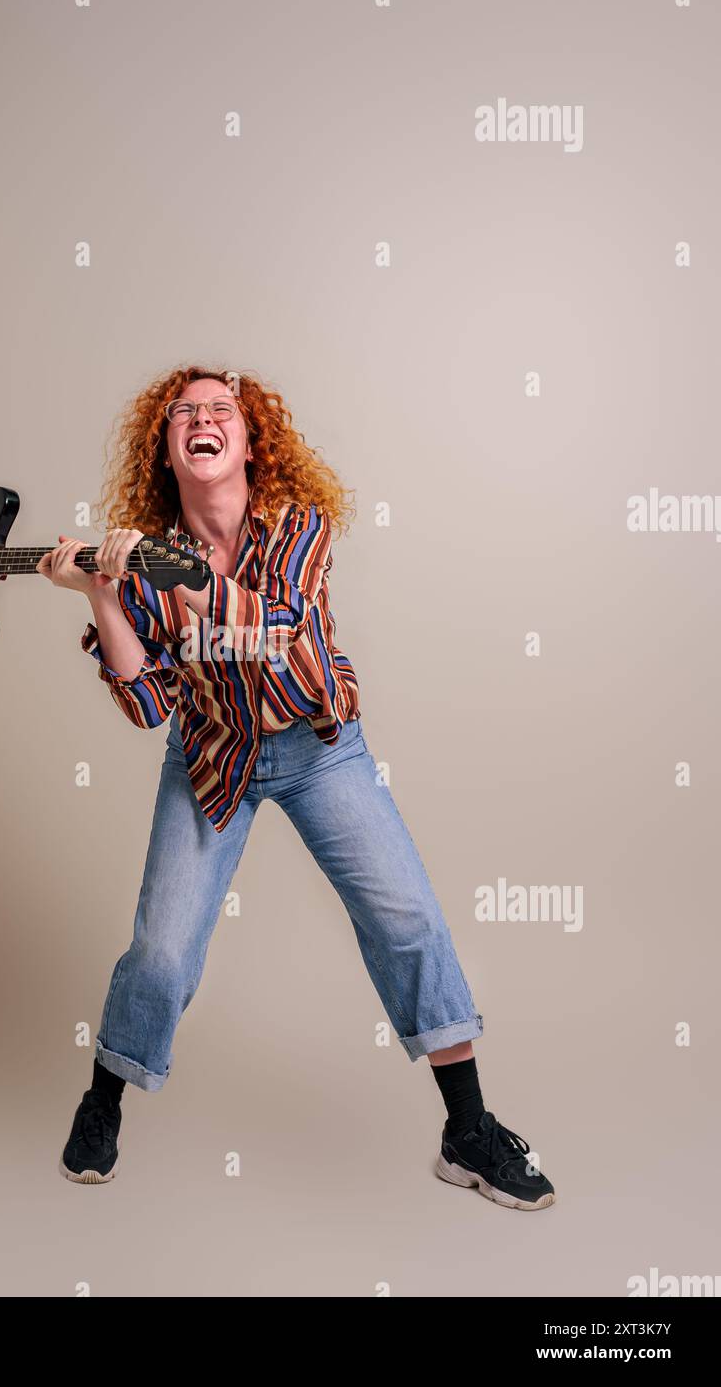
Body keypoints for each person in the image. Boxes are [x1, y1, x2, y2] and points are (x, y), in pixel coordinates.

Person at [38, 366, 555, 1211]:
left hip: (320, 745)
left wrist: (175, 576)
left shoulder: (297, 527)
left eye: (221, 411)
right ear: (167, 451)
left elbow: (276, 640)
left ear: (249, 442)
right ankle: (103, 1101)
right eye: (185, 414)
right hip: (211, 757)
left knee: (408, 918)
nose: (202, 419)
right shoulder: (134, 562)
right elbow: (146, 703)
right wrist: (103, 593)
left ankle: (468, 1132)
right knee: (161, 953)